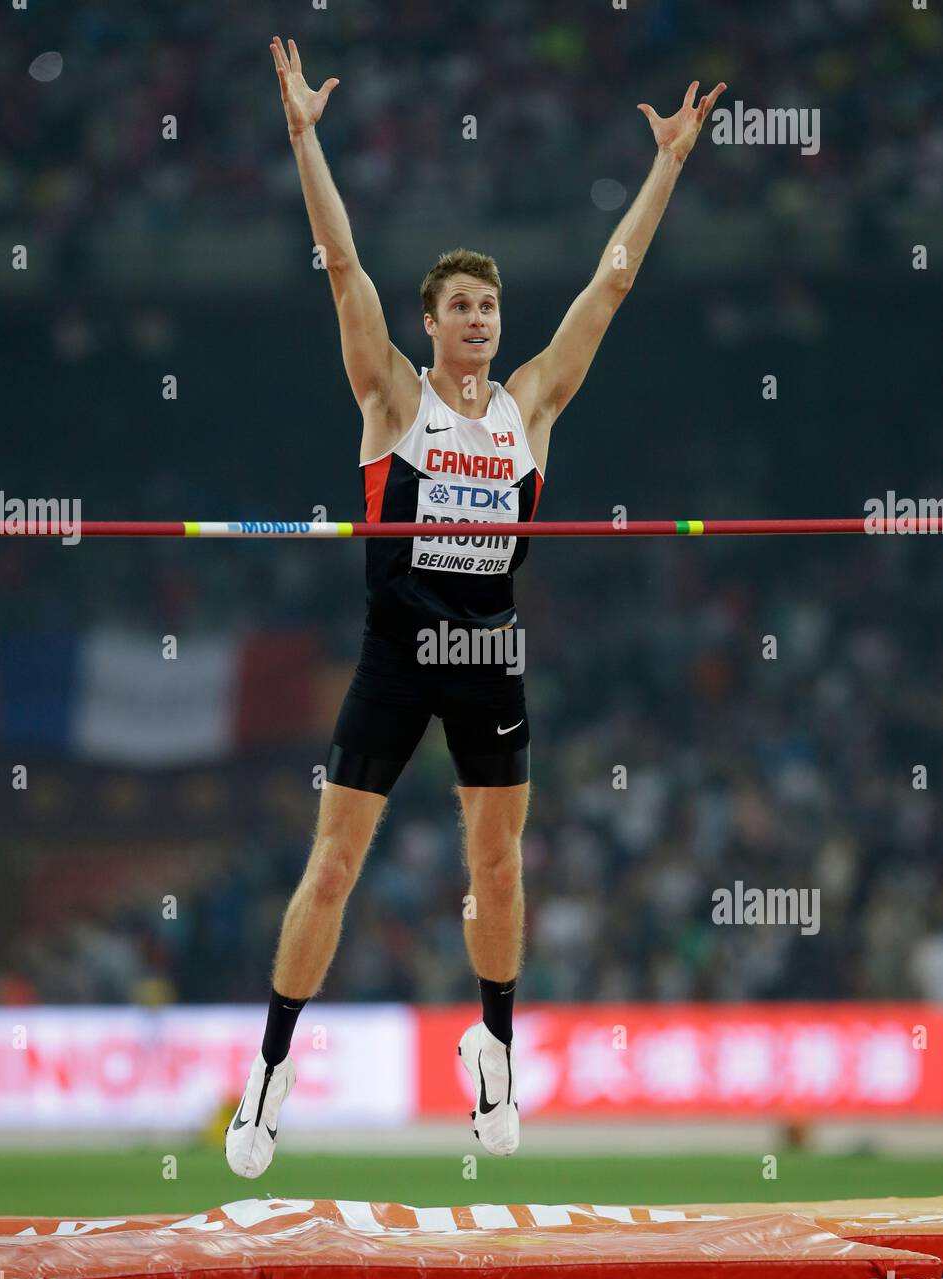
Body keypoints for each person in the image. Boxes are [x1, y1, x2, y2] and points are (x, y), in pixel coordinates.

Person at [225, 34, 725, 1178]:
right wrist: (303, 137)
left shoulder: (531, 409)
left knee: (498, 868)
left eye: (490, 308)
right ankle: (268, 1073)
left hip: (488, 653)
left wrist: (667, 165)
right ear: (432, 321)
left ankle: (494, 1047)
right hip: (395, 658)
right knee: (333, 867)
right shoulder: (392, 396)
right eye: (460, 307)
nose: (480, 323)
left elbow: (612, 280)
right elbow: (342, 266)